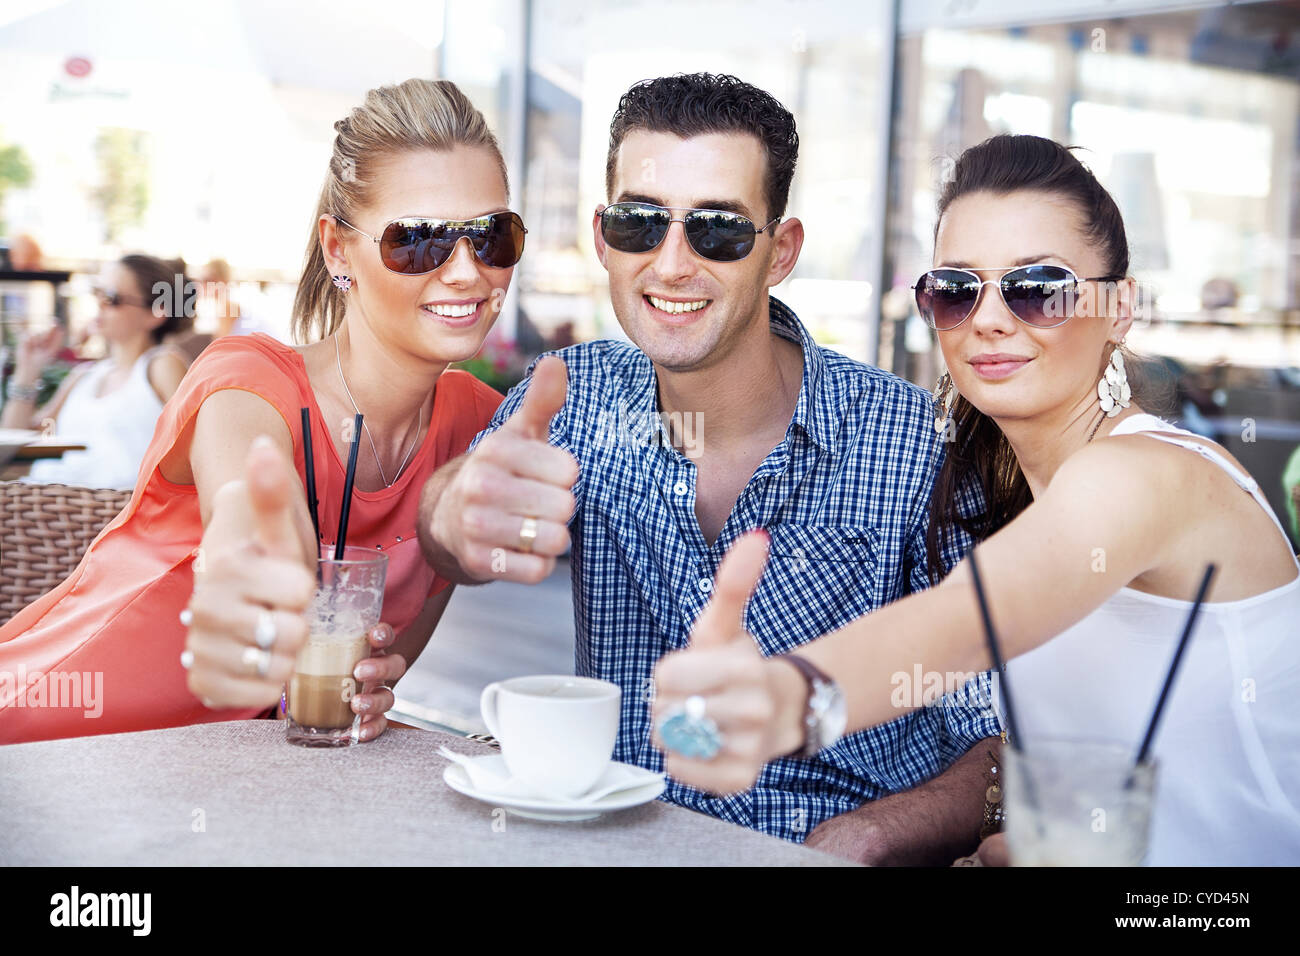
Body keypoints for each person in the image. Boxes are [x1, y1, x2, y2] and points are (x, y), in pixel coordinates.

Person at [650, 134, 1300, 866]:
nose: (989, 318)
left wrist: (779, 700)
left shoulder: (1150, 473)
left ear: (1119, 309)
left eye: (1037, 288)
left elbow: (966, 622)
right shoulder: (1012, 497)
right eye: (957, 289)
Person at [417, 73, 1001, 863]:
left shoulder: (914, 443)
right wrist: (452, 512)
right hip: (619, 843)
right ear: (602, 238)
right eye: (639, 223)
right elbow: (454, 530)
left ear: (780, 251)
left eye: (718, 230)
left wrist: (874, 834)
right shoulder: (574, 398)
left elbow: (997, 745)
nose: (672, 263)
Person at [0, 78, 516, 745]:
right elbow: (244, 506)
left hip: (233, 790)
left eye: (492, 234)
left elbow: (377, 671)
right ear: (338, 250)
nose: (468, 271)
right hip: (37, 746)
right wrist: (251, 560)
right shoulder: (246, 376)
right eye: (417, 239)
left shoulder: (480, 429)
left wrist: (372, 680)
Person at [3, 254, 191, 489]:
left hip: (110, 514)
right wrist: (28, 370)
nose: (98, 304)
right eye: (96, 293)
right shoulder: (84, 376)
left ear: (156, 312)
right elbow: (15, 443)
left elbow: (194, 450)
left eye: (111, 298)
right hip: (50, 509)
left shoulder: (161, 365)